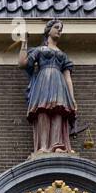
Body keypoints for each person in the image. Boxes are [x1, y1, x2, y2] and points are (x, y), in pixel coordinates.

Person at [19, 19, 78, 155]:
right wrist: (24, 42)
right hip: (43, 81)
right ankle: (43, 146)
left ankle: (57, 145)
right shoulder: (39, 50)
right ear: (48, 30)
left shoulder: (63, 55)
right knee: (42, 110)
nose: (59, 31)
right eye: (56, 27)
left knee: (59, 111)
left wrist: (72, 98)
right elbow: (22, 63)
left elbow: (67, 77)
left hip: (58, 83)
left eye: (61, 29)